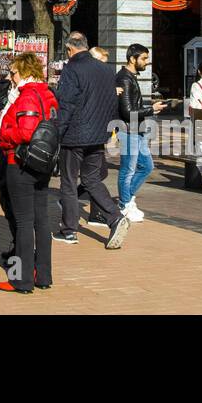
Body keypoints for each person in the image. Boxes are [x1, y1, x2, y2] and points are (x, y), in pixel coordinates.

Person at [54, 31, 130, 248]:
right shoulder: (106, 69)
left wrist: (57, 133)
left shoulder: (71, 69)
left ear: (70, 49)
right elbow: (111, 103)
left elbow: (66, 104)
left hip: (74, 136)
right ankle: (115, 217)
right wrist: (109, 132)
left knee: (68, 182)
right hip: (97, 135)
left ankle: (69, 231)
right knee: (92, 180)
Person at [0, 52, 59, 293]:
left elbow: (26, 132)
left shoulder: (27, 96)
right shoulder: (48, 94)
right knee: (41, 220)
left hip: (20, 162)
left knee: (24, 222)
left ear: (24, 71)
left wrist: (4, 135)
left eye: (12, 73)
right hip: (43, 163)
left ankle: (21, 279)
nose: (10, 77)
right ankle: (43, 274)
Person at [115, 44, 167, 222]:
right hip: (128, 130)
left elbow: (133, 108)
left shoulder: (130, 77)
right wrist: (151, 109)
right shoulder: (124, 79)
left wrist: (149, 109)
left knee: (146, 166)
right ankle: (124, 204)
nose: (147, 62)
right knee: (128, 169)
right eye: (143, 58)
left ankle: (127, 199)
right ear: (132, 59)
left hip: (137, 130)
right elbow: (127, 112)